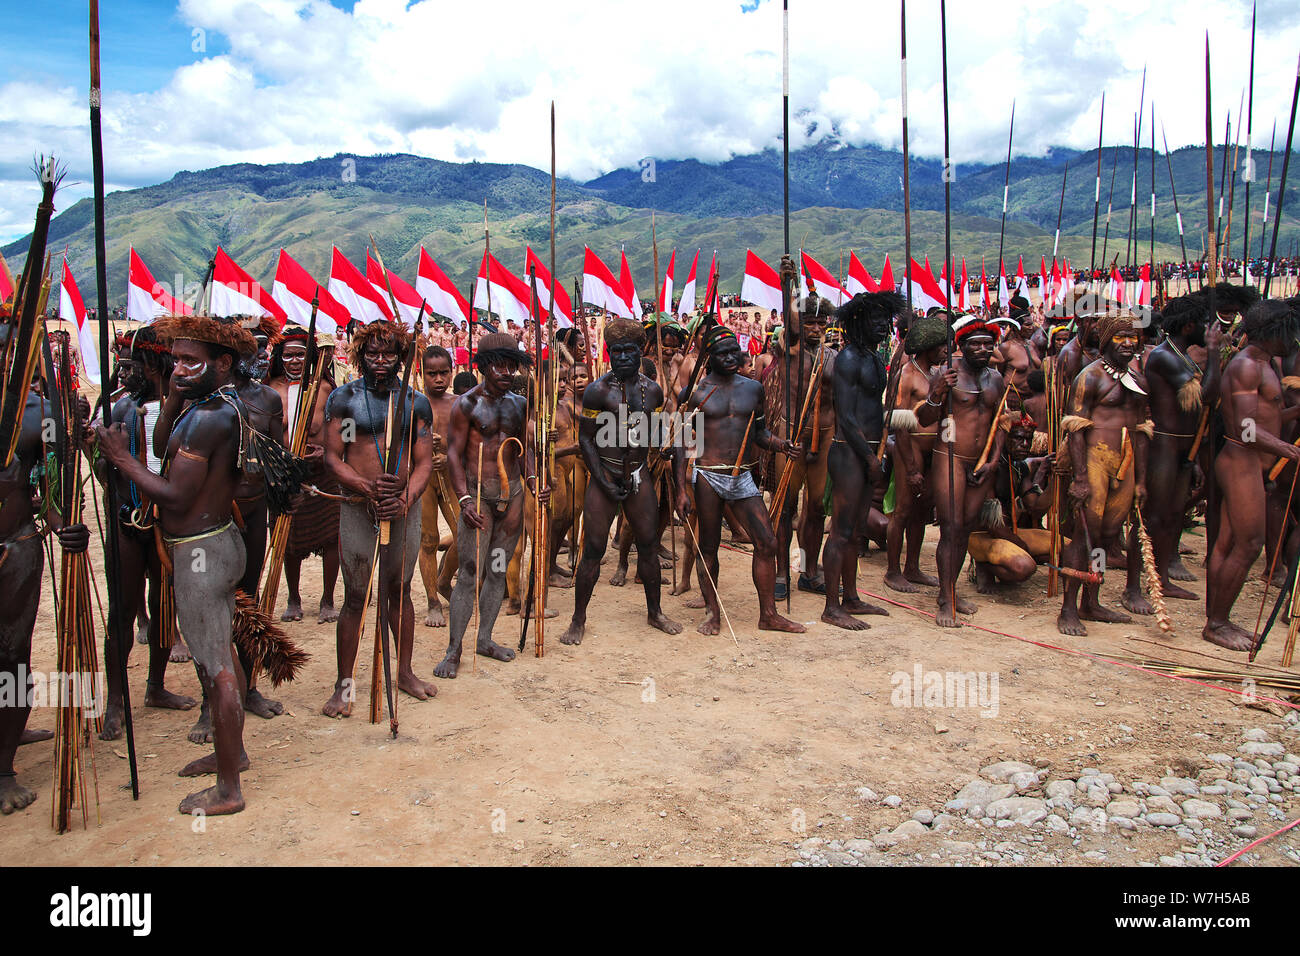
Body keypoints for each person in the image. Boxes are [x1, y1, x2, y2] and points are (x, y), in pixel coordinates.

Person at [96, 315, 253, 815]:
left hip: (202, 551)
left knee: (216, 667)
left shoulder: (211, 417)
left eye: (191, 361)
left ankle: (229, 790)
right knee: (220, 653)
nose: (179, 369)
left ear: (222, 363)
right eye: (176, 360)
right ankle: (234, 753)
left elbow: (175, 493)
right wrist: (178, 390)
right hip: (212, 544)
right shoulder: (206, 405)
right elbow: (164, 441)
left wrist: (121, 458)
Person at [321, 321, 436, 715]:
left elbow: (424, 462)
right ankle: (346, 686)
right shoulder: (345, 401)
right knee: (355, 595)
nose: (381, 361)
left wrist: (405, 498)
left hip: (402, 508)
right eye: (372, 354)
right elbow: (333, 456)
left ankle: (403, 672)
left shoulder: (414, 404)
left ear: (402, 357)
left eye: (389, 354)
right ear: (360, 356)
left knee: (399, 591)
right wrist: (364, 487)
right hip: (358, 507)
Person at [97, 328, 195, 741]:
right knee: (122, 609)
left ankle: (155, 687)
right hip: (128, 520)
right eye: (120, 365)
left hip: (169, 522)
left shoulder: (187, 410)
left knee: (164, 603)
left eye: (131, 366)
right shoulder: (117, 409)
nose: (124, 374)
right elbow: (107, 475)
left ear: (155, 365)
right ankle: (115, 701)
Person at [676, 324, 804, 636]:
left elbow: (759, 432)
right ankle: (712, 614)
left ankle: (768, 615)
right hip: (708, 475)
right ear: (709, 357)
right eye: (723, 354)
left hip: (743, 475)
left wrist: (781, 444)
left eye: (735, 352)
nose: (732, 358)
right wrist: (681, 488)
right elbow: (680, 443)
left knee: (767, 541)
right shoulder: (695, 393)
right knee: (709, 546)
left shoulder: (752, 389)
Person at [559, 319, 680, 645]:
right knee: (594, 549)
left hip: (638, 474)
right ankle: (578, 619)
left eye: (630, 350)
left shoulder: (652, 391)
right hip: (605, 474)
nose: (624, 357)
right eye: (616, 351)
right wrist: (603, 480)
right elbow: (587, 441)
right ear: (608, 353)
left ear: (641, 351)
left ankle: (654, 612)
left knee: (648, 545)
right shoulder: (598, 391)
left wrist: (664, 446)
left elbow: (651, 431)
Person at [435, 333, 546, 676]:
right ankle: (454, 651)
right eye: (499, 364)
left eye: (511, 365)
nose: (506, 371)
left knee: (498, 568)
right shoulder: (466, 405)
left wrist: (531, 480)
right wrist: (464, 498)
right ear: (483, 367)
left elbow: (522, 449)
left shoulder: (519, 403)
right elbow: (453, 454)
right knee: (469, 572)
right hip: (478, 498)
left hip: (511, 498)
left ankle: (485, 639)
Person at [1204, 300, 1300, 651]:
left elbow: (1268, 419)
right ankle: (1216, 623)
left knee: (1228, 544)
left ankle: (1218, 619)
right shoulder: (1247, 366)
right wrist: (1291, 451)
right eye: (1290, 332)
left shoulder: (1266, 364)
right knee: (1249, 543)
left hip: (1250, 463)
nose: (1294, 340)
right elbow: (1246, 430)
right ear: (1274, 333)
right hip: (1241, 461)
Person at [1056, 313, 1155, 637]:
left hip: (1124, 464)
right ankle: (1069, 607)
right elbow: (1075, 429)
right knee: (1085, 534)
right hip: (1095, 460)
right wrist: (1081, 477)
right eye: (1120, 337)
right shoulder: (1090, 377)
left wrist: (1140, 480)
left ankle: (1092, 601)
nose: (1128, 343)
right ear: (1106, 340)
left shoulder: (1138, 381)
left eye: (1133, 338)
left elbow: (1141, 431)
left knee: (1106, 535)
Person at [918, 314, 1008, 627]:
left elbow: (1000, 423)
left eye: (988, 344)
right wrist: (937, 392)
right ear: (962, 346)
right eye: (976, 344)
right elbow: (926, 418)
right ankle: (944, 599)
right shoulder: (946, 374)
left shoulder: (995, 379)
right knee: (951, 527)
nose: (983, 349)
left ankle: (951, 591)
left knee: (967, 528)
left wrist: (994, 459)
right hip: (950, 455)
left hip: (982, 460)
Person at [821, 293, 899, 629]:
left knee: (855, 533)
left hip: (869, 451)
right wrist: (868, 456)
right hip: (849, 452)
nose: (883, 325)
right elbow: (847, 416)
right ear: (858, 322)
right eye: (876, 320)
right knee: (840, 531)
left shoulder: (874, 358)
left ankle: (851, 597)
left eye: (886, 319)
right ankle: (831, 606)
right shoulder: (848, 359)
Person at [765, 259, 836, 596]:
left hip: (824, 440)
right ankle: (781, 573)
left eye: (821, 322)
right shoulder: (788, 352)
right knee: (785, 506)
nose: (815, 327)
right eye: (809, 321)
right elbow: (791, 321)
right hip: (790, 437)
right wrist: (789, 285)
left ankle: (808, 569)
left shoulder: (833, 358)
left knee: (817, 507)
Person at [267, 324, 340, 624]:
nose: (294, 361)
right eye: (288, 356)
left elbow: (340, 428)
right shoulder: (270, 388)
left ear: (309, 356)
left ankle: (327, 599)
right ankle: (293, 598)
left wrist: (328, 452)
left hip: (321, 474)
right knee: (288, 540)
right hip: (286, 475)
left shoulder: (324, 389)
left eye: (300, 355)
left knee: (333, 537)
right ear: (280, 358)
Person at [1141, 296, 1208, 600]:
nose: (1210, 330)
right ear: (1190, 325)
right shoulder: (1163, 356)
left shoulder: (1183, 355)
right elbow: (1202, 397)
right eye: (1205, 324)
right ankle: (1135, 585)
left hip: (1184, 446)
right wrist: (1217, 356)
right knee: (1153, 516)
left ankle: (1163, 578)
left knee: (1173, 515)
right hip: (1164, 444)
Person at [884, 315, 947, 593]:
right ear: (928, 346)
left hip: (933, 449)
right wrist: (911, 468)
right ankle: (893, 571)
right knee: (903, 511)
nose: (946, 350)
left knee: (921, 511)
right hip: (910, 450)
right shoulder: (907, 376)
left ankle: (912, 567)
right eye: (942, 346)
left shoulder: (935, 374)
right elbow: (899, 423)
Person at [416, 345, 459, 626]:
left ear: (452, 372)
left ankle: (445, 581)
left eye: (444, 373)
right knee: (428, 540)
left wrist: (447, 453)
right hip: (422, 479)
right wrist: (420, 445)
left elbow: (468, 444)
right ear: (422, 374)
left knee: (466, 534)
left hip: (451, 476)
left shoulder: (458, 404)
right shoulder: (412, 404)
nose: (439, 379)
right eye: (432, 374)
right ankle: (433, 600)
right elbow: (397, 443)